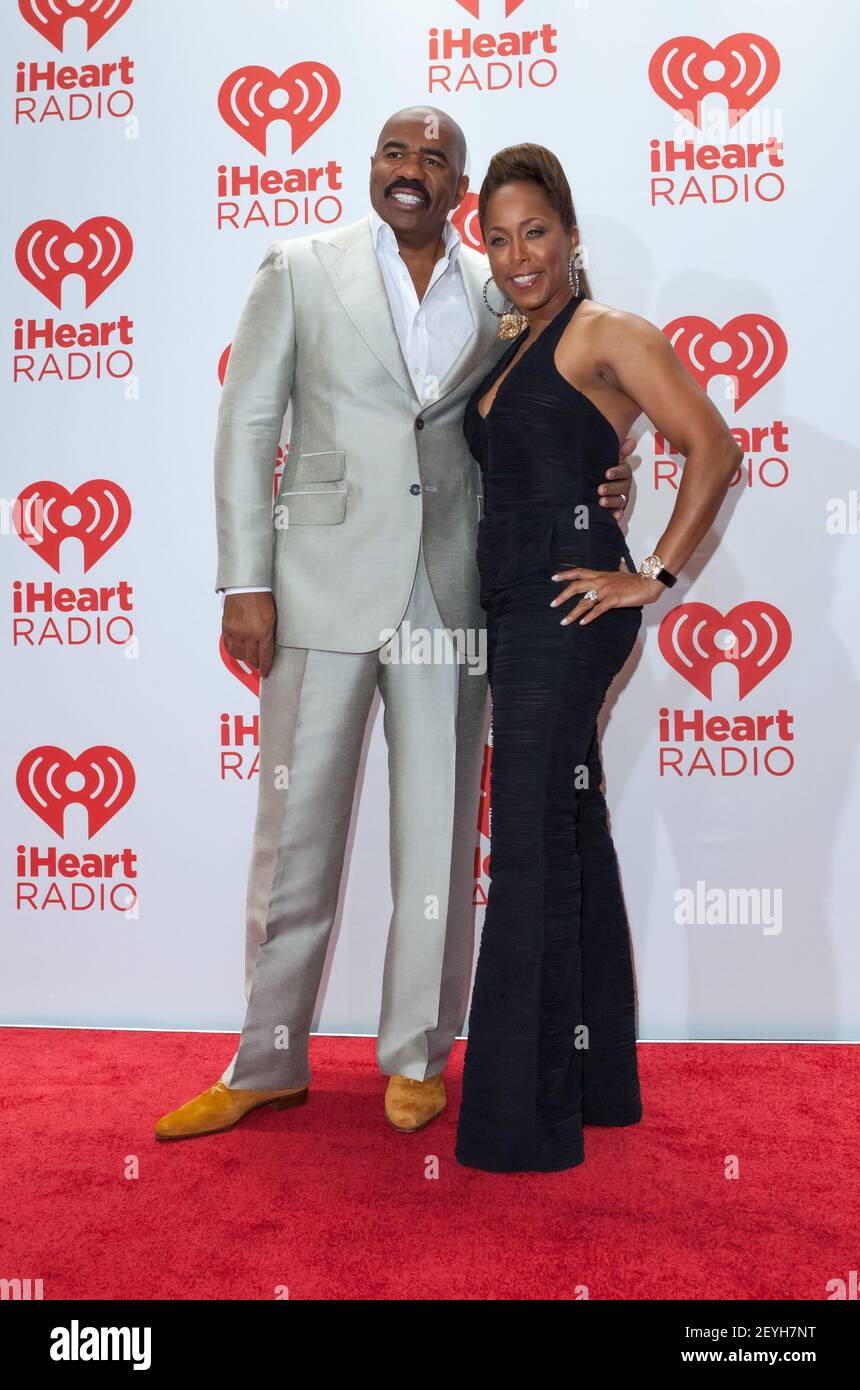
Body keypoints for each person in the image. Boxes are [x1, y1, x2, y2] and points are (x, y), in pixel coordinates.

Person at [154, 111, 635, 1142]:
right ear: (369, 168)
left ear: (457, 183)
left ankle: (415, 1052)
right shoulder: (297, 265)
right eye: (393, 153)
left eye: (432, 159)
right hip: (317, 581)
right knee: (296, 837)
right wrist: (246, 578)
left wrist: (610, 467)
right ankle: (265, 1060)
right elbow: (246, 424)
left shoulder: (495, 286)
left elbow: (550, 393)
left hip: (452, 591)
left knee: (437, 837)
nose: (409, 171)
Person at [455, 144, 744, 1173]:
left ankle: (520, 1122)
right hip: (515, 604)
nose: (515, 252)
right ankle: (591, 1080)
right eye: (495, 236)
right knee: (562, 827)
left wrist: (654, 574)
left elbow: (712, 447)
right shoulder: (508, 339)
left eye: (534, 231)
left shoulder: (608, 331)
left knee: (528, 844)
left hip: (571, 605)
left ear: (570, 237)